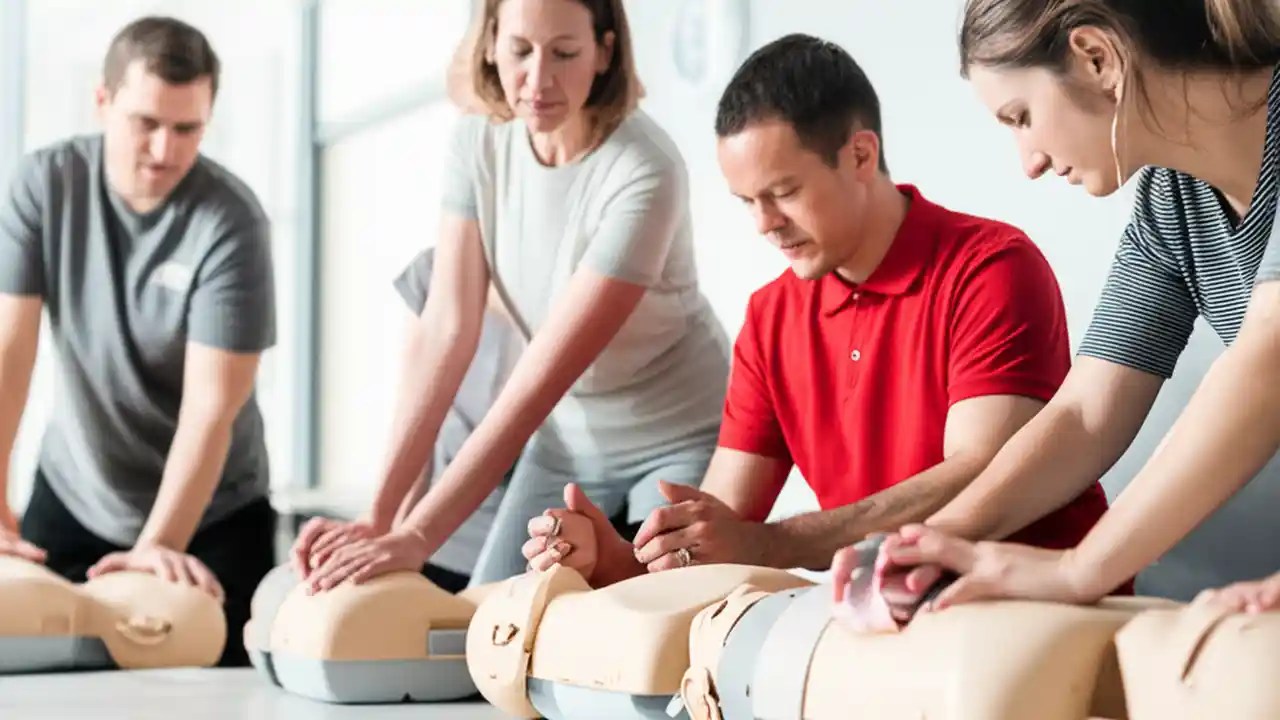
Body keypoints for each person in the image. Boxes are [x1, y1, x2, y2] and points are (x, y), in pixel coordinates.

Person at [520, 34, 1110, 598]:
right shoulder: (770, 317)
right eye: (747, 202)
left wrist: (773, 544)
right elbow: (718, 533)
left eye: (783, 191)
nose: (764, 224)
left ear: (859, 155)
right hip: (886, 610)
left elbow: (980, 472)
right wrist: (611, 559)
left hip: (1027, 601)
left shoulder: (991, 268)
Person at [290, 0, 730, 591]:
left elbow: (536, 382)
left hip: (677, 430)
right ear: (492, 42)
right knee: (492, 629)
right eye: (521, 50)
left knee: (655, 618)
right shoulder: (477, 140)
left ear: (605, 51)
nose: (539, 79)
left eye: (566, 53)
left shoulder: (644, 170)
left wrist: (418, 536)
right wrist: (380, 516)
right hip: (567, 439)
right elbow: (448, 331)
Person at [868, 0, 1280, 616]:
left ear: (1097, 59)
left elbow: (1267, 360)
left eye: (1022, 117)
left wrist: (1079, 570)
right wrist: (934, 541)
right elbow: (1086, 411)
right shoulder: (1173, 201)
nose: (1027, 163)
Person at [0, 17, 277, 667]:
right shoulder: (44, 184)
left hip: (211, 517)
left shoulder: (230, 220)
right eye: (145, 123)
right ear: (103, 102)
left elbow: (212, 409)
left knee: (215, 694)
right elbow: (11, 353)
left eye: (188, 129)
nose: (164, 149)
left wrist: (159, 544)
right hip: (75, 495)